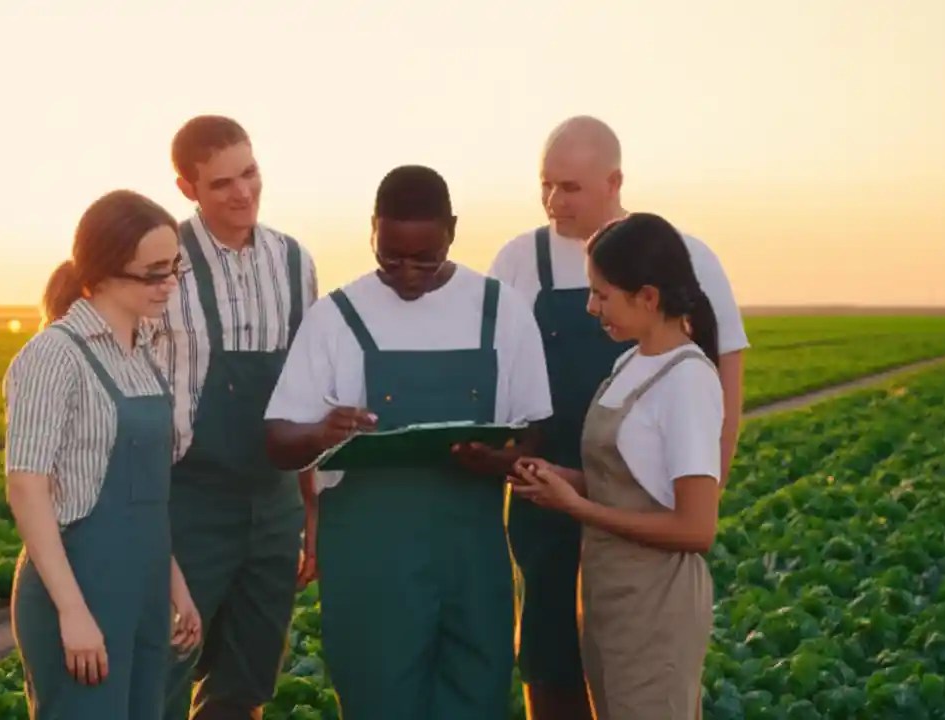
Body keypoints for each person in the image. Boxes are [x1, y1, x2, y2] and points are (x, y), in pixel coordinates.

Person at [262, 165, 553, 720]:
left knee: (476, 694)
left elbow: (533, 432)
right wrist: (322, 433)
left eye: (426, 257)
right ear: (372, 229)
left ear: (454, 231)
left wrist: (499, 460)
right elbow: (278, 439)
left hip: (472, 559)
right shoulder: (336, 318)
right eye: (391, 257)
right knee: (378, 700)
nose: (408, 273)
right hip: (370, 567)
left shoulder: (500, 311)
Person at [488, 115, 748, 719]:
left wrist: (699, 500)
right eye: (545, 185)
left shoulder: (683, 258)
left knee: (639, 676)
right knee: (553, 663)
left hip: (643, 515)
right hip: (554, 508)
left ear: (614, 181)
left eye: (570, 187)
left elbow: (725, 390)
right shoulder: (520, 260)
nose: (554, 201)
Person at [509, 212, 724, 720]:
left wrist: (578, 507)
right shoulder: (629, 363)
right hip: (607, 598)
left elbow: (696, 529)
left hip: (655, 604)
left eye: (602, 294)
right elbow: (631, 485)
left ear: (648, 297)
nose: (591, 307)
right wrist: (562, 480)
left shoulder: (687, 382)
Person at [5, 189, 203, 720]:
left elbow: (148, 497)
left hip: (143, 583)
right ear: (102, 271)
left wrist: (175, 587)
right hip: (82, 583)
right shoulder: (53, 355)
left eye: (174, 267)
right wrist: (72, 612)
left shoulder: (143, 354)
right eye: (153, 272)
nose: (169, 285)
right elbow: (27, 487)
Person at [155, 115, 320, 720]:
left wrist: (310, 504)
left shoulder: (295, 262)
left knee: (246, 681)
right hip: (187, 500)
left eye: (249, 173)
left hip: (272, 499)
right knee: (164, 671)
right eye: (222, 182)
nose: (243, 192)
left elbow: (306, 393)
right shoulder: (163, 262)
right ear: (187, 187)